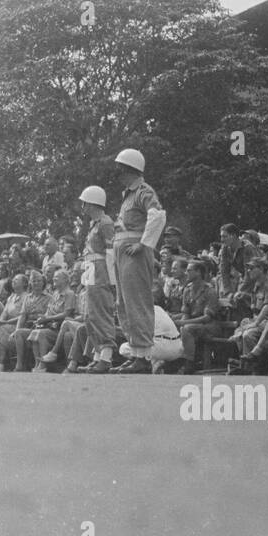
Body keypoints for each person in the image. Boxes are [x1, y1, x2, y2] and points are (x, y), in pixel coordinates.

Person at [110, 149, 167, 371]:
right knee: (123, 303)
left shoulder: (144, 191)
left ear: (131, 170)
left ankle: (143, 357)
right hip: (123, 252)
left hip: (135, 253)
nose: (119, 175)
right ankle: (136, 353)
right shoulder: (129, 195)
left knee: (137, 302)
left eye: (122, 171)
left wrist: (144, 244)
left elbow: (157, 216)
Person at [74, 185, 118, 374]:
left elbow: (110, 253)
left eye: (85, 203)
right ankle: (98, 355)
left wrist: (112, 280)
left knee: (100, 313)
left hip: (101, 270)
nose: (83, 206)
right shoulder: (95, 224)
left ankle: (106, 357)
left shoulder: (105, 223)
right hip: (91, 269)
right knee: (90, 315)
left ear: (92, 203)